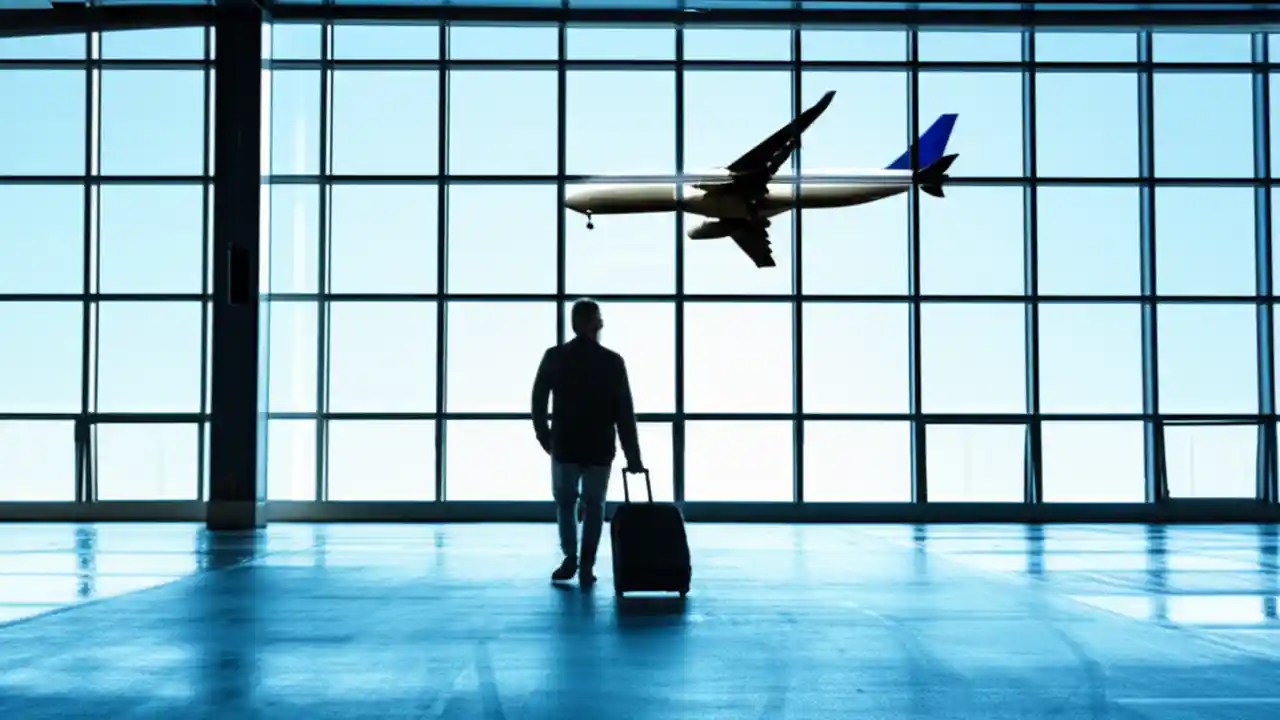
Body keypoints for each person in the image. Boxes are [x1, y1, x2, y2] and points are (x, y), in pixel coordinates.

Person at [531, 298, 644, 586]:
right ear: (595, 323)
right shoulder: (612, 362)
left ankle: (571, 557)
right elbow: (624, 412)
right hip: (598, 447)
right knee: (595, 506)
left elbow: (538, 399)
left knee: (565, 503)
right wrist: (633, 456)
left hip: (565, 444)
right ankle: (587, 565)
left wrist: (544, 434)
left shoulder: (555, 357)